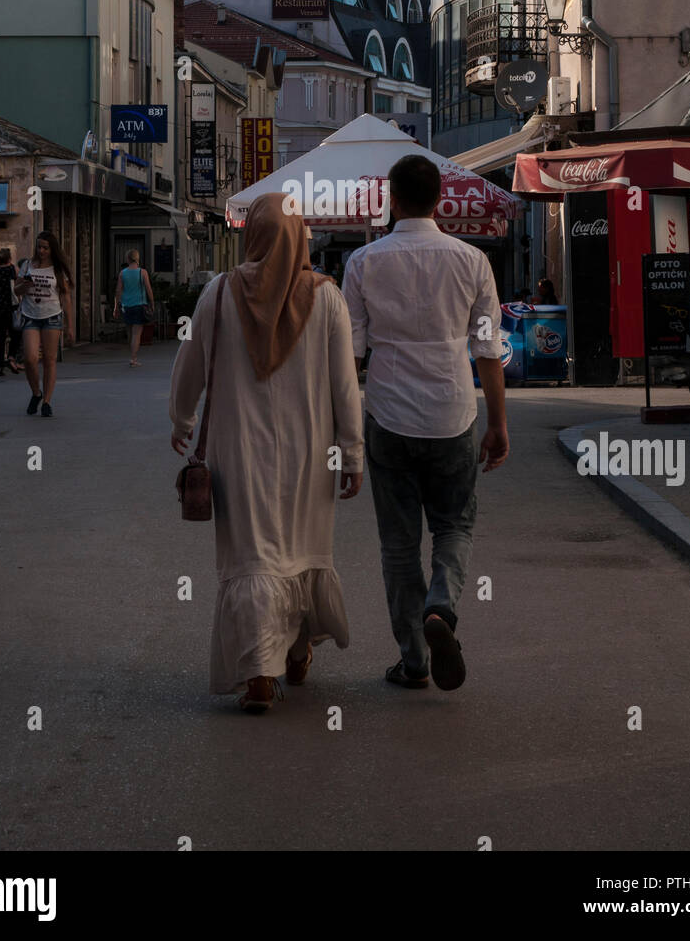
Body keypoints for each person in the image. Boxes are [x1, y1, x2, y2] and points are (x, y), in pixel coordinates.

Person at [169, 193, 363, 713]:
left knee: (256, 558)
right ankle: (296, 652)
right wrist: (352, 453)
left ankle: (259, 673)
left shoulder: (218, 293)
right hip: (310, 455)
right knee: (299, 553)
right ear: (301, 236)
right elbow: (346, 387)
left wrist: (182, 421)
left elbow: (190, 368)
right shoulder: (327, 298)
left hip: (240, 455)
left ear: (251, 234)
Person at [342, 154, 509, 693]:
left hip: (387, 412)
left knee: (397, 544)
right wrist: (498, 423)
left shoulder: (364, 262)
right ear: (440, 198)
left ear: (392, 199)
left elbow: (351, 357)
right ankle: (443, 602)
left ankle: (413, 658)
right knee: (453, 526)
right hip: (453, 411)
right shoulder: (472, 261)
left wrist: (343, 433)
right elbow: (487, 350)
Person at [15, 231, 74, 418]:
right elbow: (16, 289)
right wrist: (23, 286)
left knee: (49, 360)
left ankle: (47, 401)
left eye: (45, 248)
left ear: (52, 249)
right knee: (30, 358)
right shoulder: (27, 266)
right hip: (30, 315)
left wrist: (70, 325)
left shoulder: (58, 269)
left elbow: (66, 297)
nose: (41, 251)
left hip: (52, 316)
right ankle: (36, 393)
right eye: (39, 247)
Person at [114, 249, 154, 366]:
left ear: (127, 259)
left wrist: (116, 307)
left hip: (126, 306)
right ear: (137, 259)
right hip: (139, 305)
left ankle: (131, 354)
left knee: (129, 333)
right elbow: (148, 289)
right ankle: (133, 358)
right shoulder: (142, 272)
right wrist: (152, 303)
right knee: (136, 334)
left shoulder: (122, 273)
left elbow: (118, 290)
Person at [0, 247, 22, 377]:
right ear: (9, 259)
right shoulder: (12, 269)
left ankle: (0, 366)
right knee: (16, 333)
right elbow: (19, 283)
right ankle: (11, 357)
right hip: (10, 308)